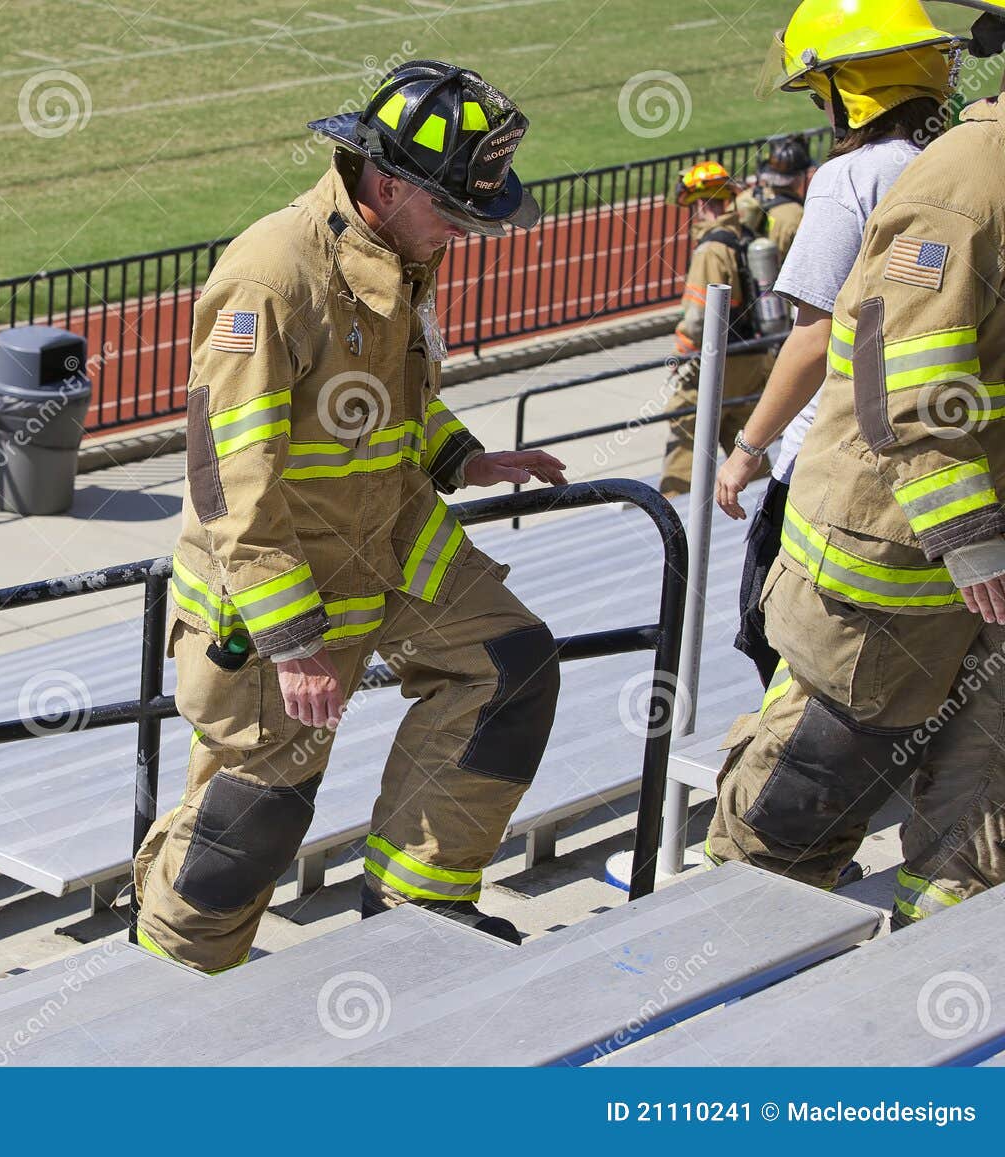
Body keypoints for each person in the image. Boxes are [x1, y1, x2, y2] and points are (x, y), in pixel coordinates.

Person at [133, 59, 568, 974]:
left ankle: (418, 909)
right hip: (279, 584)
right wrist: (290, 640)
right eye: (451, 213)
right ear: (386, 181)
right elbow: (226, 476)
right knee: (257, 811)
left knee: (509, 669)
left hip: (391, 537)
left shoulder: (401, 252)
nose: (463, 235)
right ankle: (171, 987)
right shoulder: (273, 275)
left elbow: (381, 395)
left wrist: (463, 456)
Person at [705, 3, 1005, 930]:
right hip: (901, 563)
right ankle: (721, 992)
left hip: (959, 566)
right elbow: (899, 373)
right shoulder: (961, 176)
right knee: (802, 798)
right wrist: (972, 540)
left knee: (973, 826)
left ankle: (921, 998)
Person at [715, 0, 960, 686]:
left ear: (850, 87)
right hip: (933, 462)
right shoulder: (956, 161)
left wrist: (746, 448)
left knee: (785, 652)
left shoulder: (848, 179)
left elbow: (813, 335)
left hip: (827, 471)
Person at [657, 162, 771, 498]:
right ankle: (763, 511)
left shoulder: (711, 250)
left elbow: (697, 318)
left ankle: (672, 519)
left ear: (702, 204)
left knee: (686, 435)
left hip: (717, 363)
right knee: (746, 442)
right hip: (754, 358)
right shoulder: (746, 239)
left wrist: (680, 357)